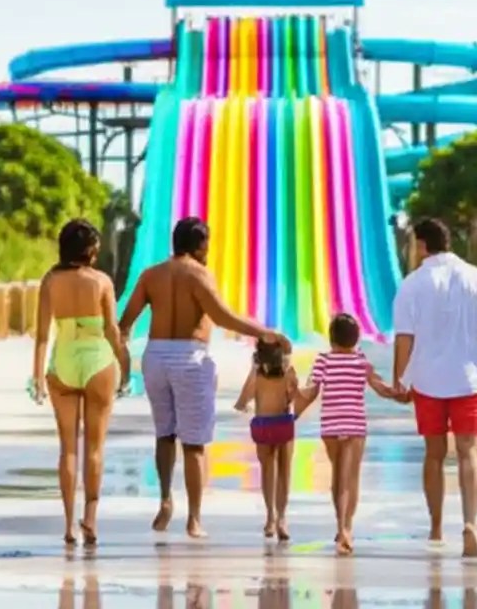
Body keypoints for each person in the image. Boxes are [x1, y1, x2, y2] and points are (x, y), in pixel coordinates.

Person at [119, 216, 291, 538]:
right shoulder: (198, 275)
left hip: (155, 357)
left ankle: (166, 499)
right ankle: (194, 518)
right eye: (207, 246)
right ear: (199, 246)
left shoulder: (150, 275)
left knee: (165, 434)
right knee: (194, 443)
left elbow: (126, 321)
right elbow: (223, 317)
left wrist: (120, 356)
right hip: (189, 357)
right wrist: (266, 333)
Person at [391, 218, 477, 558]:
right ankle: (471, 522)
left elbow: (404, 339)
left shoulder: (412, 285)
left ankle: (437, 526)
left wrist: (400, 381)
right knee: (470, 451)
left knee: (434, 454)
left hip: (427, 380)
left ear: (422, 245)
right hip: (472, 379)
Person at [31, 219, 131, 546]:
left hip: (62, 362)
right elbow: (112, 333)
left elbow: (42, 336)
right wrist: (126, 366)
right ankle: (90, 518)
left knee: (68, 450)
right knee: (95, 448)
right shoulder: (101, 281)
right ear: (90, 250)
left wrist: (37, 376)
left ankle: (68, 525)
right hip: (98, 361)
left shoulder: (49, 281)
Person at [294, 313, 398, 555]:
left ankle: (340, 525)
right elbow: (379, 387)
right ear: (356, 339)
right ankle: (347, 528)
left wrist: (294, 406)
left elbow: (310, 392)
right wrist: (399, 394)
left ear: (332, 340)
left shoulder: (323, 360)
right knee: (351, 478)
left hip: (331, 426)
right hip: (354, 426)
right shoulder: (361, 360)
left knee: (338, 477)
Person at [234, 338, 298, 542]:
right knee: (284, 471)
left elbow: (242, 401)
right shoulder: (288, 372)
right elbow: (293, 397)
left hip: (263, 426)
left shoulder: (257, 374)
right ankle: (282, 519)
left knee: (268, 470)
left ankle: (270, 516)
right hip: (283, 424)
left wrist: (246, 406)